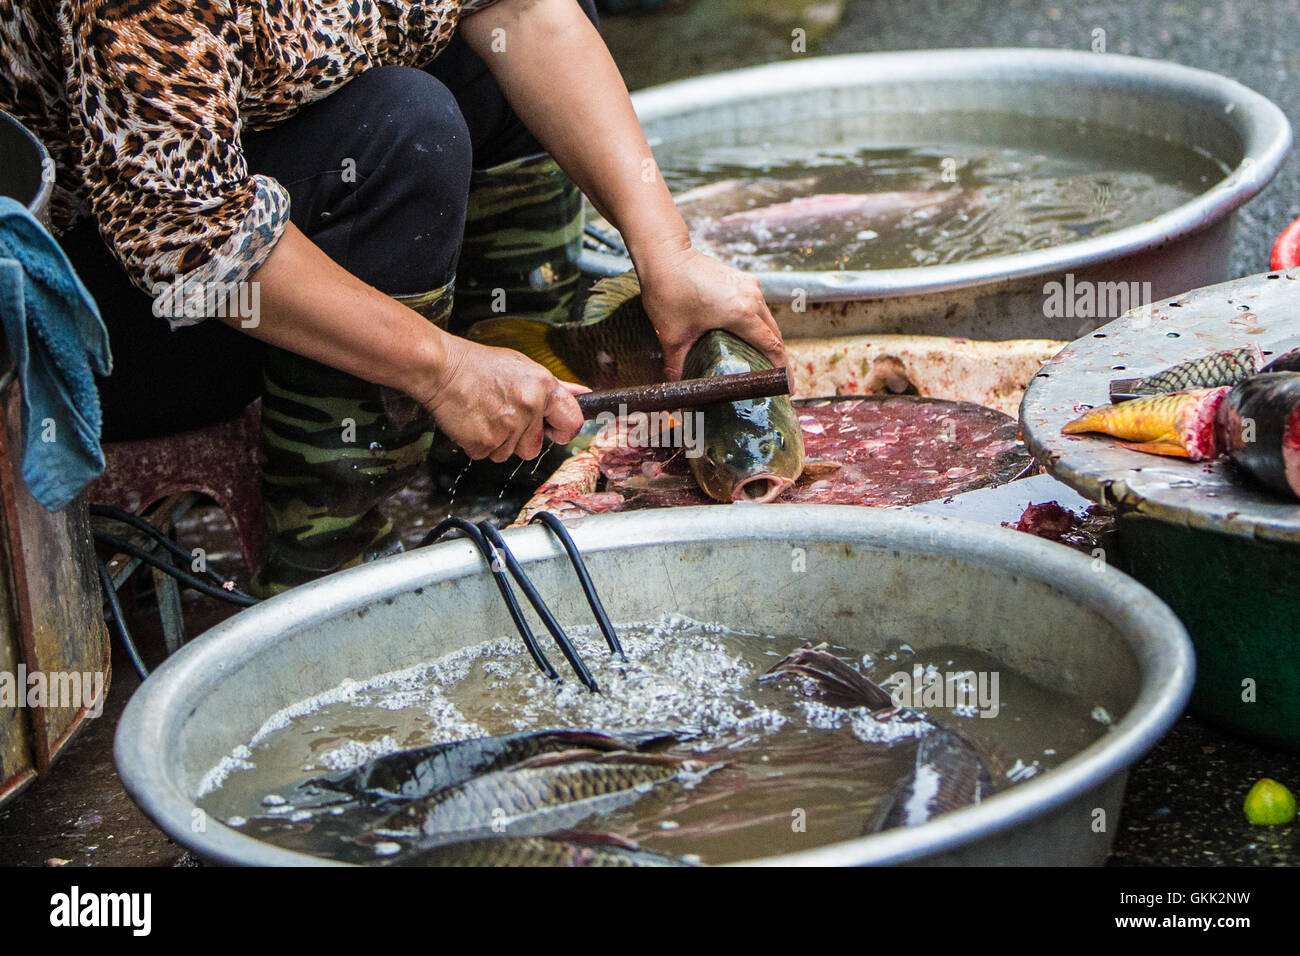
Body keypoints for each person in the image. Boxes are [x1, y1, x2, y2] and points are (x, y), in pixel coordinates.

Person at [0, 0, 786, 595]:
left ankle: (503, 463)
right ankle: (326, 568)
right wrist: (442, 368)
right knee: (407, 126)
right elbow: (185, 236)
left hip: (244, 177)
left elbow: (524, 11)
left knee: (491, 62)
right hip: (115, 318)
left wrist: (670, 254)